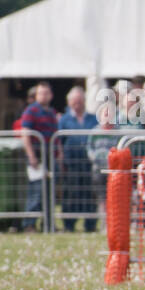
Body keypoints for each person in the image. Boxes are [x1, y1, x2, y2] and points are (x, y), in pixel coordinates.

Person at [57, 86, 99, 232]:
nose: (77, 104)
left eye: (80, 101)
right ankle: (69, 224)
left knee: (89, 194)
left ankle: (90, 224)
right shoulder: (64, 119)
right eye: (75, 101)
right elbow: (60, 142)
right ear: (69, 103)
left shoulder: (93, 118)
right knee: (71, 194)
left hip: (89, 163)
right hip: (71, 163)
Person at [19, 82, 59, 231]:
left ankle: (48, 224)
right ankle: (29, 224)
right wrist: (31, 156)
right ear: (36, 95)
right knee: (36, 191)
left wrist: (59, 153)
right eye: (41, 93)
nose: (44, 95)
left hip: (50, 157)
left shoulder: (51, 112)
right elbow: (26, 134)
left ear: (51, 95)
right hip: (37, 157)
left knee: (50, 193)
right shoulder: (31, 111)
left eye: (46, 93)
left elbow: (56, 135)